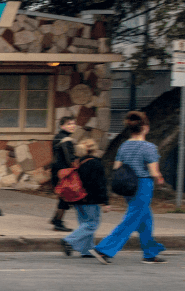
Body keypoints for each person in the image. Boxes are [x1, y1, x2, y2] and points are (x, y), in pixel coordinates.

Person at [90, 111, 167, 264]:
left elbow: (117, 166)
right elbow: (153, 171)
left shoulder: (124, 145)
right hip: (143, 185)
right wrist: (159, 178)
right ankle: (104, 249)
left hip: (127, 186)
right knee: (131, 220)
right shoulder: (149, 147)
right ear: (145, 128)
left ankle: (150, 254)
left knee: (145, 220)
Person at [60, 138, 109, 258]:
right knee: (92, 224)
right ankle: (69, 240)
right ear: (94, 149)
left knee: (84, 224)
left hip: (77, 198)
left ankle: (87, 250)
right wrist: (105, 201)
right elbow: (100, 184)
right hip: (90, 199)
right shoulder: (95, 163)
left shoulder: (78, 163)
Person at [50, 116, 77, 232]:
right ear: (62, 126)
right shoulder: (66, 140)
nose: (72, 126)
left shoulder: (57, 137)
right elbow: (69, 158)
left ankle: (56, 218)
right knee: (65, 197)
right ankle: (58, 223)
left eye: (73, 123)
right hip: (64, 173)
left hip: (56, 171)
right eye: (69, 124)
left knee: (63, 196)